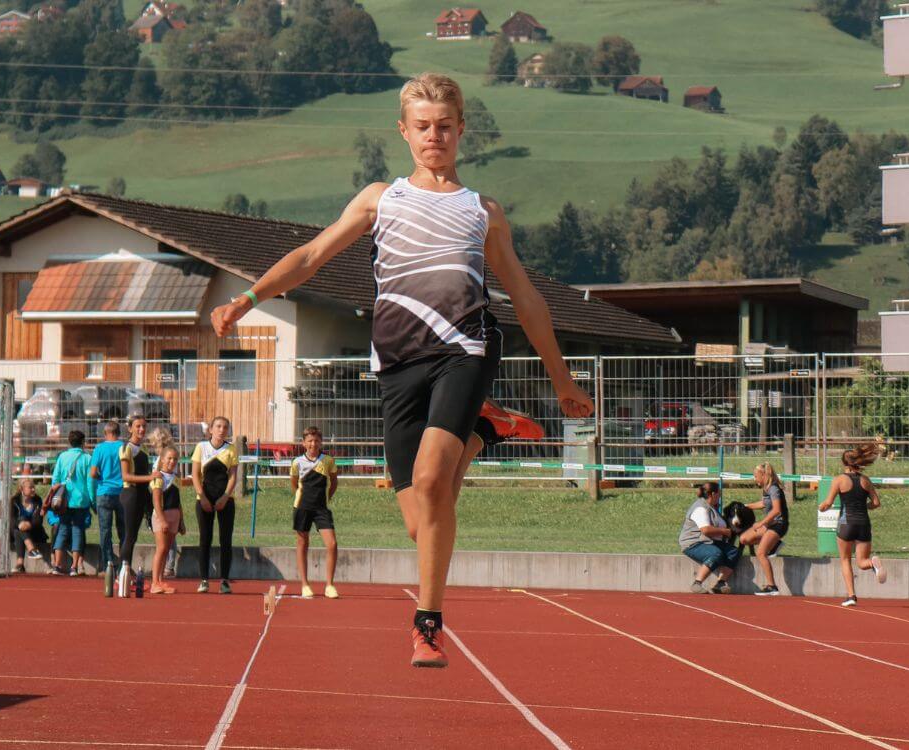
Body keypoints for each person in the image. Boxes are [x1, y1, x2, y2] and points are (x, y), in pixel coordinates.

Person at [209, 73, 593, 668]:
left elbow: (526, 297)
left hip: (465, 349)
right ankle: (485, 430)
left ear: (462, 130)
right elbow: (311, 256)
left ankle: (428, 625)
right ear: (404, 132)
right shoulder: (380, 198)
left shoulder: (482, 212)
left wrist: (561, 379)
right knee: (420, 522)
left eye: (445, 127)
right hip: (397, 363)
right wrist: (248, 299)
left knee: (436, 485)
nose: (434, 137)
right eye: (422, 127)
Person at [819, 444, 886, 607]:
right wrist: (864, 507)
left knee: (845, 560)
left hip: (846, 524)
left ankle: (851, 596)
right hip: (863, 523)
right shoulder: (865, 480)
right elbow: (876, 503)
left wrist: (822, 507)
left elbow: (828, 503)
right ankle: (872, 563)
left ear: (844, 464)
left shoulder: (839, 480)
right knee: (862, 561)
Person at [289, 426, 339, 600]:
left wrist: (326, 498)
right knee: (302, 542)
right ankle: (305, 584)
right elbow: (294, 484)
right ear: (303, 443)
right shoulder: (297, 462)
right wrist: (302, 499)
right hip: (302, 507)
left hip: (321, 509)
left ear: (321, 442)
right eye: (309, 440)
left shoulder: (328, 461)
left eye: (316, 440)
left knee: (331, 544)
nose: (313, 444)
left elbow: (333, 483)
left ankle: (330, 585)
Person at [190, 416, 239, 594]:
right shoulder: (201, 447)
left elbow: (233, 476)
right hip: (204, 498)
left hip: (226, 500)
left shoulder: (231, 449)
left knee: (226, 540)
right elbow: (195, 474)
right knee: (205, 539)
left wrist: (225, 497)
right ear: (210, 429)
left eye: (225, 427)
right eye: (218, 426)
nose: (221, 430)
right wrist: (202, 497)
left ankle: (224, 580)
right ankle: (204, 580)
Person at [737, 462, 788, 596]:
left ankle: (772, 587)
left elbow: (776, 510)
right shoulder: (766, 488)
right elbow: (764, 504)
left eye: (756, 476)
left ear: (764, 475)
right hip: (770, 525)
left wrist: (761, 523)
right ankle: (774, 543)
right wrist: (746, 506)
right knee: (744, 539)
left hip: (778, 524)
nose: (755, 479)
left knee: (761, 553)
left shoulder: (774, 489)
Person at [49, 430, 95, 576]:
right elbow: (90, 482)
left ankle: (57, 565)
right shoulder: (87, 458)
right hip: (81, 501)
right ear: (83, 442)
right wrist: (93, 500)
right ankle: (74, 566)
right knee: (77, 532)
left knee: (62, 530)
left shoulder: (62, 456)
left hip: (64, 500)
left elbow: (55, 479)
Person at [678, 482, 738, 594]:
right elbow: (706, 530)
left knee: (733, 552)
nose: (719, 496)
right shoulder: (701, 508)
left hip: (708, 541)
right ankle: (697, 583)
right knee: (715, 553)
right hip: (693, 543)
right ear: (713, 494)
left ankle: (720, 583)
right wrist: (724, 531)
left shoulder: (711, 507)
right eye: (719, 494)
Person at [117, 414, 154, 586]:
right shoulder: (126, 448)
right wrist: (150, 477)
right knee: (129, 535)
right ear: (130, 428)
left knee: (133, 536)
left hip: (141, 495)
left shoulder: (144, 450)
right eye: (138, 426)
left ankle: (126, 572)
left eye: (144, 426)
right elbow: (126, 476)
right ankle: (122, 572)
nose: (141, 430)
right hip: (130, 494)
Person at [148, 440, 185, 594]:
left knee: (167, 549)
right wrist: (162, 520)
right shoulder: (158, 477)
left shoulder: (175, 478)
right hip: (161, 517)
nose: (172, 462)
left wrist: (181, 521)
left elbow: (179, 502)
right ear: (162, 459)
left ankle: (162, 581)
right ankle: (154, 582)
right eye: (169, 458)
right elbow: (156, 501)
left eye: (175, 459)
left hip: (174, 517)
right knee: (161, 548)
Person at [90, 420, 126, 575]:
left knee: (105, 531)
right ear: (118, 433)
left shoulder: (99, 449)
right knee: (123, 530)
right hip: (122, 491)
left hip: (104, 491)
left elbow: (92, 473)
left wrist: (101, 478)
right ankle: (125, 563)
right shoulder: (124, 447)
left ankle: (108, 565)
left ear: (106, 433)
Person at [11, 478, 50, 573]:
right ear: (21, 489)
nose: (33, 489)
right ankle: (32, 550)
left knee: (20, 529)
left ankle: (20, 563)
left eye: (34, 487)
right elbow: (12, 520)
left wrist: (29, 525)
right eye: (30, 487)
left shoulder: (37, 500)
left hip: (34, 531)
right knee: (19, 525)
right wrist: (20, 524)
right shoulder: (14, 501)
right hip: (16, 530)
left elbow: (38, 520)